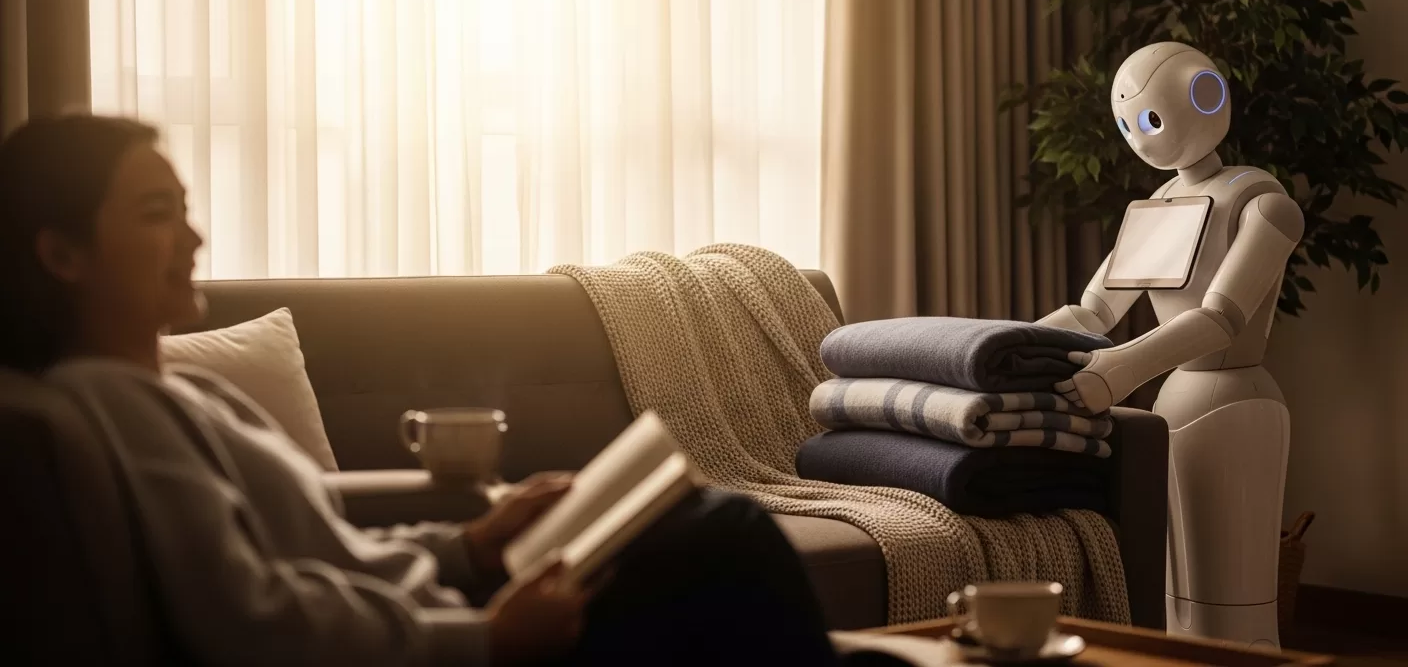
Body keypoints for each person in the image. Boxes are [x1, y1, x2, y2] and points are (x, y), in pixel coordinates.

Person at [0, 115, 845, 667]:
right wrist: (484, 638)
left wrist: (468, 545)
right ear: (62, 254)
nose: (192, 236)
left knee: (692, 529)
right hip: (442, 643)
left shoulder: (172, 393)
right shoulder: (114, 410)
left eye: (184, 208)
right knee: (725, 535)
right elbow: (248, 622)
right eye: (155, 214)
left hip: (434, 603)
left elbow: (317, 546)